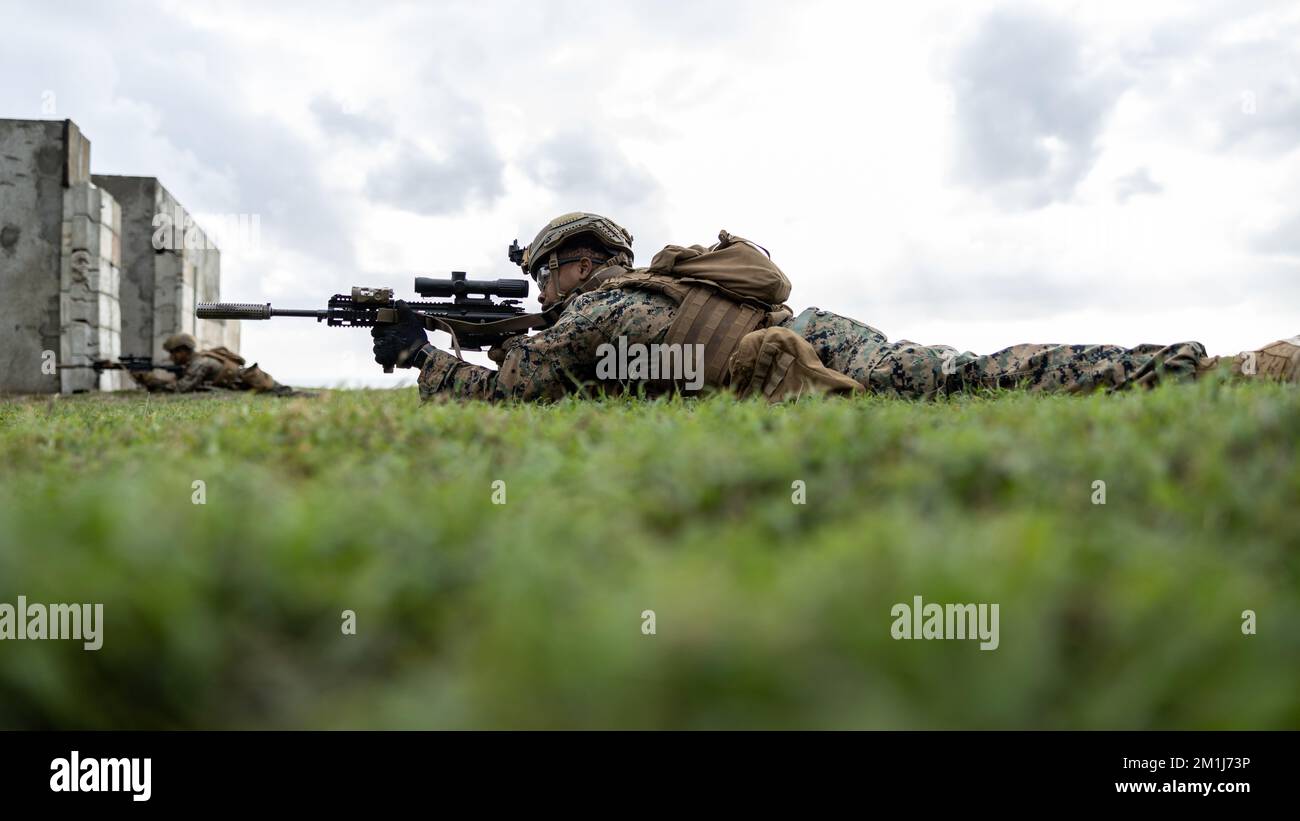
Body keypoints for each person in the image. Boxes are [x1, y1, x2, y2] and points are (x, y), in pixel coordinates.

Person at [370, 212, 1300, 402]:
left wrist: (424, 355)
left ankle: (1218, 367)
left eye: (545, 273)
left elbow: (525, 390)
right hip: (815, 332)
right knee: (959, 370)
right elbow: (560, 369)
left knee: (971, 379)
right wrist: (463, 338)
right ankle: (1206, 364)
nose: (541, 291)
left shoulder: (595, 312)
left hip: (804, 357)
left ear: (580, 265)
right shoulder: (645, 288)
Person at [132, 333, 295, 395]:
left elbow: (181, 388)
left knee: (288, 394)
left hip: (252, 383)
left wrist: (152, 381)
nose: (172, 357)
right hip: (246, 384)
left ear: (183, 351)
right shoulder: (196, 361)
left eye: (174, 353)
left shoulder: (200, 363)